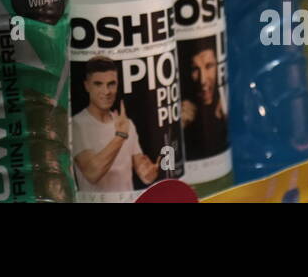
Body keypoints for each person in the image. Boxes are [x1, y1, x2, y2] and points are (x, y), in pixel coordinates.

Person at [71, 57, 161, 195]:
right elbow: (92, 173)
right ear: (87, 86)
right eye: (98, 84)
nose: (106, 91)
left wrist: (148, 173)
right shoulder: (77, 124)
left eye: (111, 84)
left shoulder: (127, 124)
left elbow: (142, 171)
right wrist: (120, 136)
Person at [180, 41, 227, 162]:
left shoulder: (226, 109)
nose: (203, 80)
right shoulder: (184, 116)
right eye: (195, 69)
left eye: (209, 66)